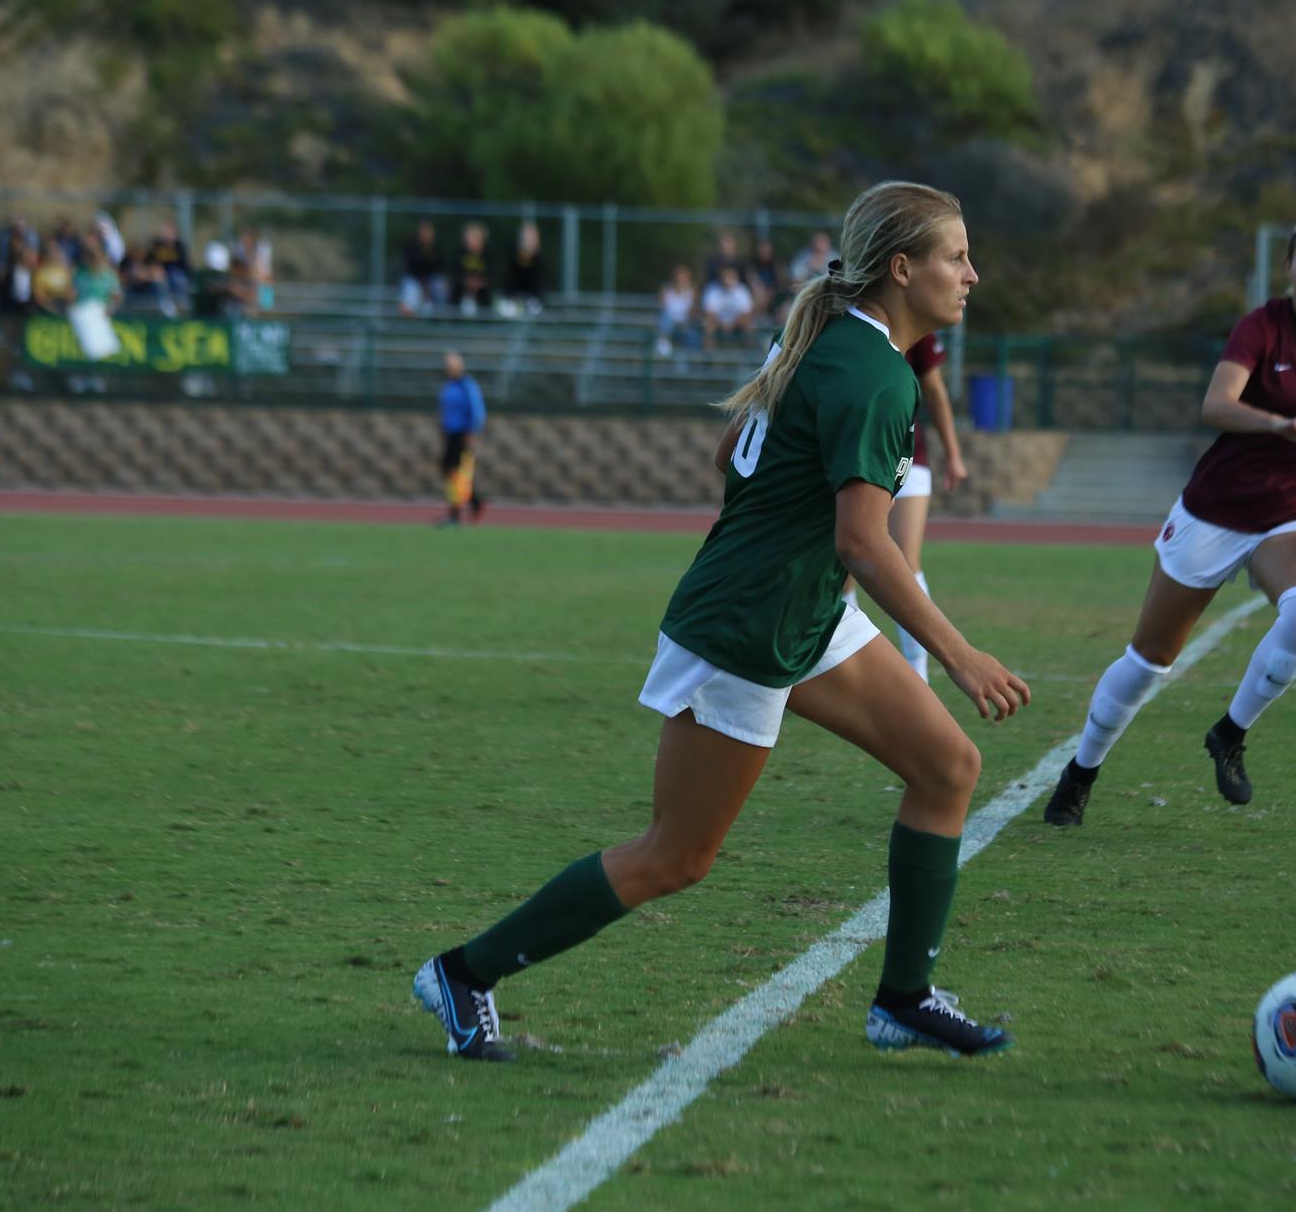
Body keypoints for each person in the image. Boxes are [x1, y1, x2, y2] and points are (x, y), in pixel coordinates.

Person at [411, 181, 1029, 1063]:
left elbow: (736, 457)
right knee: (677, 855)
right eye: (956, 255)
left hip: (798, 612)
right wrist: (959, 653)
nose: (974, 273)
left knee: (948, 766)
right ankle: (462, 973)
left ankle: (903, 997)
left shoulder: (835, 341)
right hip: (745, 629)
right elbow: (863, 541)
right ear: (901, 268)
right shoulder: (877, 374)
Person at [1043, 217, 1296, 824]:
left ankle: (1229, 733)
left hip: (1294, 510)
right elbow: (1215, 404)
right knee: (1149, 661)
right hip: (1214, 510)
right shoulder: (1262, 328)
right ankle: (1080, 772)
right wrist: (1278, 423)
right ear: (1289, 268)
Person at [846, 328, 969, 683]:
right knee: (843, 569)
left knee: (906, 562)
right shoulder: (845, 318)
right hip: (854, 457)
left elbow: (935, 390)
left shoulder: (918, 326)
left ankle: (918, 672)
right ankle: (848, 665)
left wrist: (954, 454)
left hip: (908, 456)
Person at [436, 351, 486, 526]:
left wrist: (471, 432)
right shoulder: (449, 386)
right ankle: (473, 501)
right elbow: (446, 410)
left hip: (462, 434)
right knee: (448, 469)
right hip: (451, 433)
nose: (448, 369)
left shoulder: (467, 386)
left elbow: (477, 411)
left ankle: (456, 513)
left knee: (457, 472)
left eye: (452, 366)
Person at [699, 259, 756, 348]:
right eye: (725, 274)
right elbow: (708, 313)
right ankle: (710, 358)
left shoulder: (742, 290)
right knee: (708, 326)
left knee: (748, 326)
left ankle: (747, 357)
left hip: (737, 326)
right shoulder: (711, 289)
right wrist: (723, 324)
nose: (727, 277)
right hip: (718, 325)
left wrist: (732, 324)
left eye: (730, 275)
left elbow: (746, 314)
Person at [399, 220, 448, 317]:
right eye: (424, 233)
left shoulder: (436, 249)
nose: (427, 236)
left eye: (429, 233)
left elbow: (437, 268)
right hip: (414, 279)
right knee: (410, 294)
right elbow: (411, 268)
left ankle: (440, 320)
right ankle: (409, 323)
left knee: (442, 290)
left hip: (431, 279)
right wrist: (423, 284)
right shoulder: (412, 248)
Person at [504, 219, 544, 315]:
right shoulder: (513, 253)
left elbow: (539, 280)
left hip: (533, 297)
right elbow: (510, 277)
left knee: (534, 310)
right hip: (514, 296)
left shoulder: (538, 257)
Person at [656, 263, 696, 357]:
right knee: (665, 317)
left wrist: (683, 321)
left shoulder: (692, 291)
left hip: (685, 323)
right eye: (678, 276)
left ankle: (685, 359)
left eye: (683, 276)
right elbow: (663, 308)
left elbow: (693, 311)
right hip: (670, 322)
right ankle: (664, 343)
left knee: (693, 337)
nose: (680, 279)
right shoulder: (666, 289)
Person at [455, 222, 493, 317]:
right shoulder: (460, 253)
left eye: (474, 238)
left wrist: (479, 283)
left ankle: (485, 325)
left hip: (481, 289)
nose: (470, 241)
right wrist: (468, 282)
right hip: (463, 288)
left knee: (486, 296)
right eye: (469, 238)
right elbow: (456, 274)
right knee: (455, 292)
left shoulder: (488, 255)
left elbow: (491, 276)